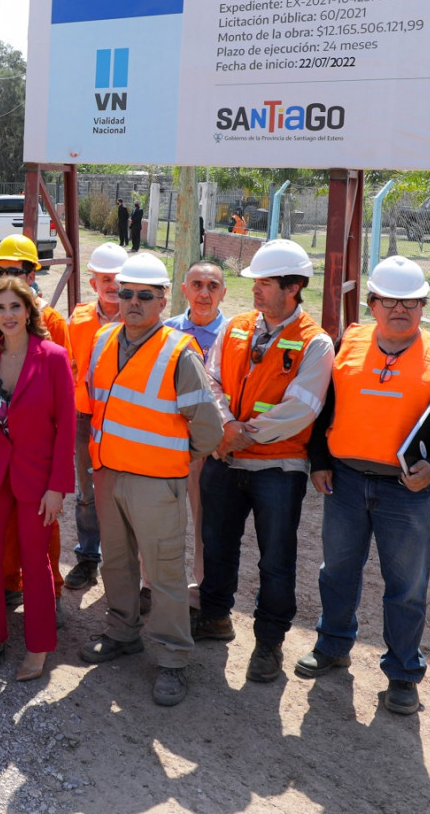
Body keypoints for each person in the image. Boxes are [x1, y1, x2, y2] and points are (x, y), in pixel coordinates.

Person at [294, 256, 430, 715]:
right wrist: (319, 460)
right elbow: (324, 407)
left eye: (412, 302)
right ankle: (334, 645)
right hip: (345, 481)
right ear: (374, 304)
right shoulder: (348, 342)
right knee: (336, 572)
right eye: (391, 301)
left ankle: (402, 673)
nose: (402, 309)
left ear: (423, 306)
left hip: (408, 491)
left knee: (407, 586)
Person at [77, 252, 226, 707]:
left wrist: (171, 464)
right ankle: (123, 632)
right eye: (126, 294)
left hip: (157, 483)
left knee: (163, 574)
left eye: (145, 295)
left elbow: (209, 430)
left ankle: (173, 659)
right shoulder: (102, 340)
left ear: (164, 300)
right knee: (116, 564)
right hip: (109, 475)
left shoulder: (180, 353)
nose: (134, 302)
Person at [196, 240, 334, 682]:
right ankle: (216, 617)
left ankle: (269, 644)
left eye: (266, 283)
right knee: (216, 545)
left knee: (276, 559)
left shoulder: (315, 343)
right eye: (255, 282)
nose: (256, 290)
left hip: (278, 468)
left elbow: (301, 409)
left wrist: (237, 436)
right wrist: (225, 427)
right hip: (226, 457)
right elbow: (210, 379)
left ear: (293, 288)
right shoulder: (235, 325)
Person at [0, 277, 75, 682]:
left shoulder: (54, 357)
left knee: (35, 562)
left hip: (38, 480)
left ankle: (38, 647)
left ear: (29, 311)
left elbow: (66, 428)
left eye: (15, 307)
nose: (7, 315)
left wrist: (58, 486)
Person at [0, 236, 69, 618]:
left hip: (36, 449)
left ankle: (50, 592)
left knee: (43, 527)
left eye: (14, 270)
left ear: (32, 273)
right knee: (4, 526)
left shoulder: (51, 321)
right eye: (0, 270)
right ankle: (8, 585)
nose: (6, 276)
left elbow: (63, 394)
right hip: (1, 445)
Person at [62, 242, 128, 591]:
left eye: (118, 278)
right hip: (85, 418)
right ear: (93, 285)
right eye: (105, 278)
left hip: (124, 421)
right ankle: (88, 559)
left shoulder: (139, 318)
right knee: (87, 494)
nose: (112, 285)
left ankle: (122, 568)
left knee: (124, 496)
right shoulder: (79, 319)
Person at [165, 259, 229, 609]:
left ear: (223, 292)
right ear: (184, 289)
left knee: (206, 520)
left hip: (212, 447)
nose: (204, 293)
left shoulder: (235, 335)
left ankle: (200, 587)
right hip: (170, 440)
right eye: (197, 285)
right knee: (162, 517)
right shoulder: (166, 331)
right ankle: (154, 583)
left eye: (212, 286)